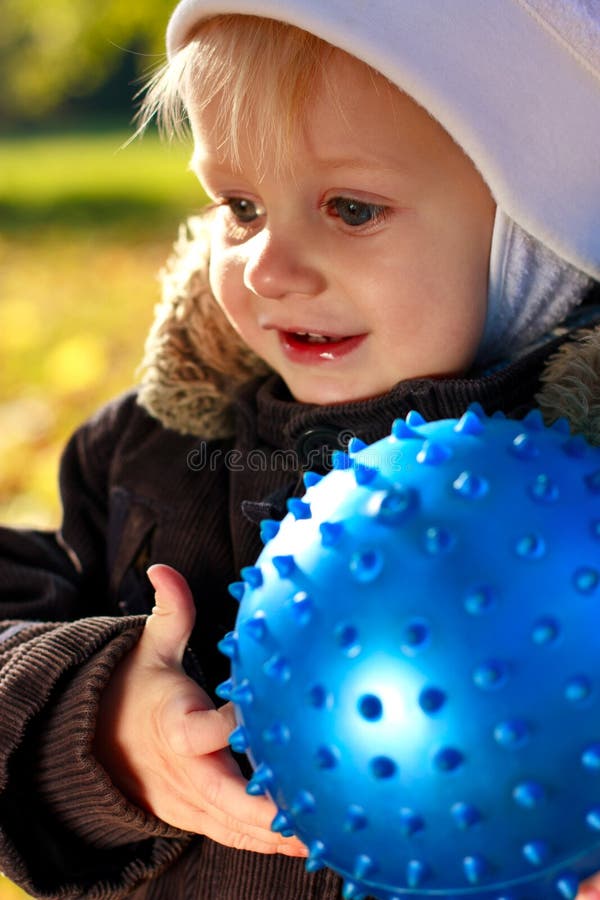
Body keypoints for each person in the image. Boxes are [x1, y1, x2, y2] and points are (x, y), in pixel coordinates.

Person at [1, 1, 599, 898]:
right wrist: (99, 722)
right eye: (240, 208)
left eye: (351, 208)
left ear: (536, 236)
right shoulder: (156, 451)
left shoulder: (581, 518)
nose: (269, 267)